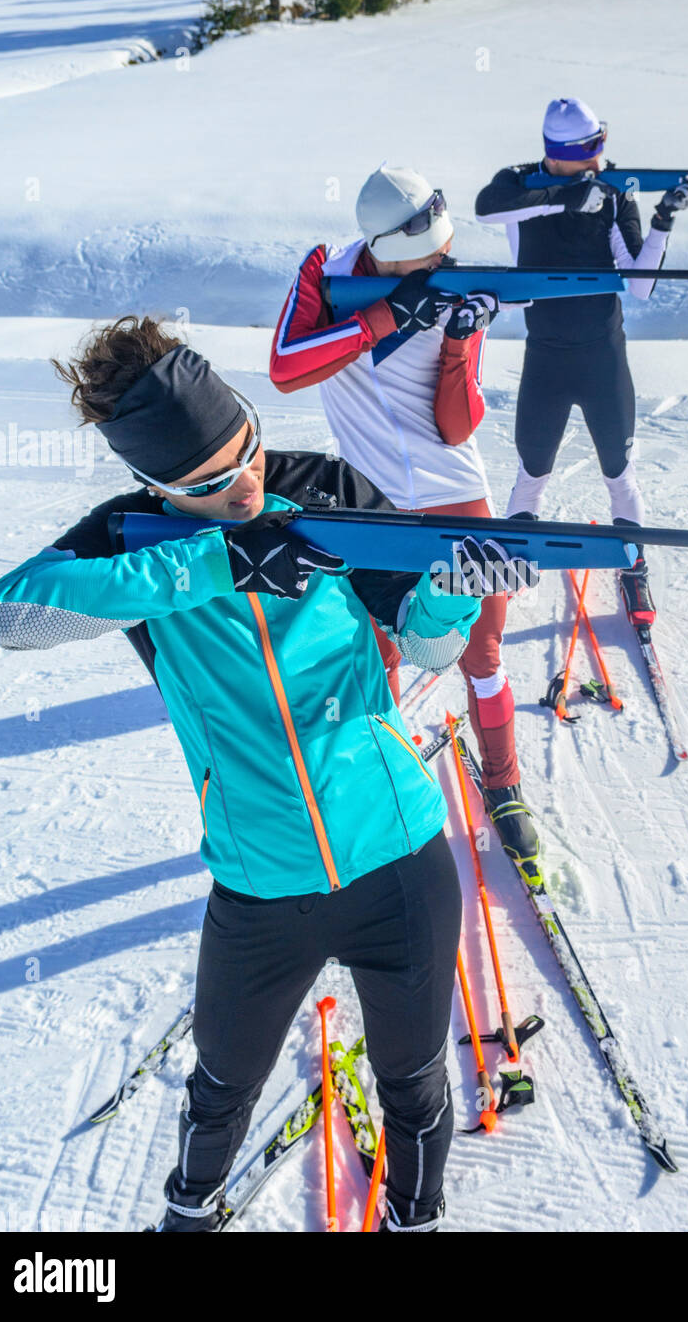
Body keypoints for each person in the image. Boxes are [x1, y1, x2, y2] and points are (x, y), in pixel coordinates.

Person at [0, 317, 532, 1232]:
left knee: (415, 1079)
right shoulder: (128, 542)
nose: (247, 485)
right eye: (209, 484)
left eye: (249, 451)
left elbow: (432, 640)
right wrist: (217, 560)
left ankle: (419, 1214)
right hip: (259, 886)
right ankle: (190, 1212)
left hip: (399, 856)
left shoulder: (325, 492)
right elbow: (17, 616)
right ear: (154, 488)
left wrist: (458, 586)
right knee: (220, 1085)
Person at [268, 163, 538, 862]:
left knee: (481, 648)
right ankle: (394, 784)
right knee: (379, 653)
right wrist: (387, 316)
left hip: (454, 489)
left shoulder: (453, 283)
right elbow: (287, 367)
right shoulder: (327, 270)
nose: (444, 259)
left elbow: (455, 426)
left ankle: (504, 787)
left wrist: (457, 341)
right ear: (385, 253)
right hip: (369, 499)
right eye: (430, 254)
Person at [475, 96, 688, 624]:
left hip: (603, 358)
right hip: (545, 360)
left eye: (601, 146)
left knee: (619, 473)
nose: (601, 160)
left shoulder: (610, 195)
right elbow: (486, 207)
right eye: (591, 150)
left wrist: (664, 219)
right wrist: (565, 198)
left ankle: (633, 569)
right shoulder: (517, 185)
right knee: (531, 472)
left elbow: (642, 285)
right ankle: (514, 561)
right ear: (558, 154)